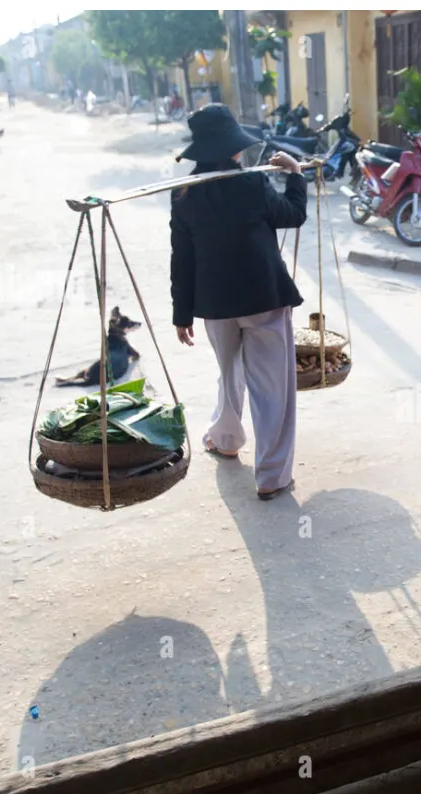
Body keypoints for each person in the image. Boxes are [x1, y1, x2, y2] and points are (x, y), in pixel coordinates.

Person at [169, 103, 307, 500]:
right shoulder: (251, 184)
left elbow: (182, 257)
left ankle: (226, 439)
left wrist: (182, 314)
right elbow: (293, 214)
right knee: (271, 387)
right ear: (233, 148)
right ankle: (271, 476)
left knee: (229, 373)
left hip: (216, 304)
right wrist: (294, 176)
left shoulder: (183, 194)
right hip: (262, 296)